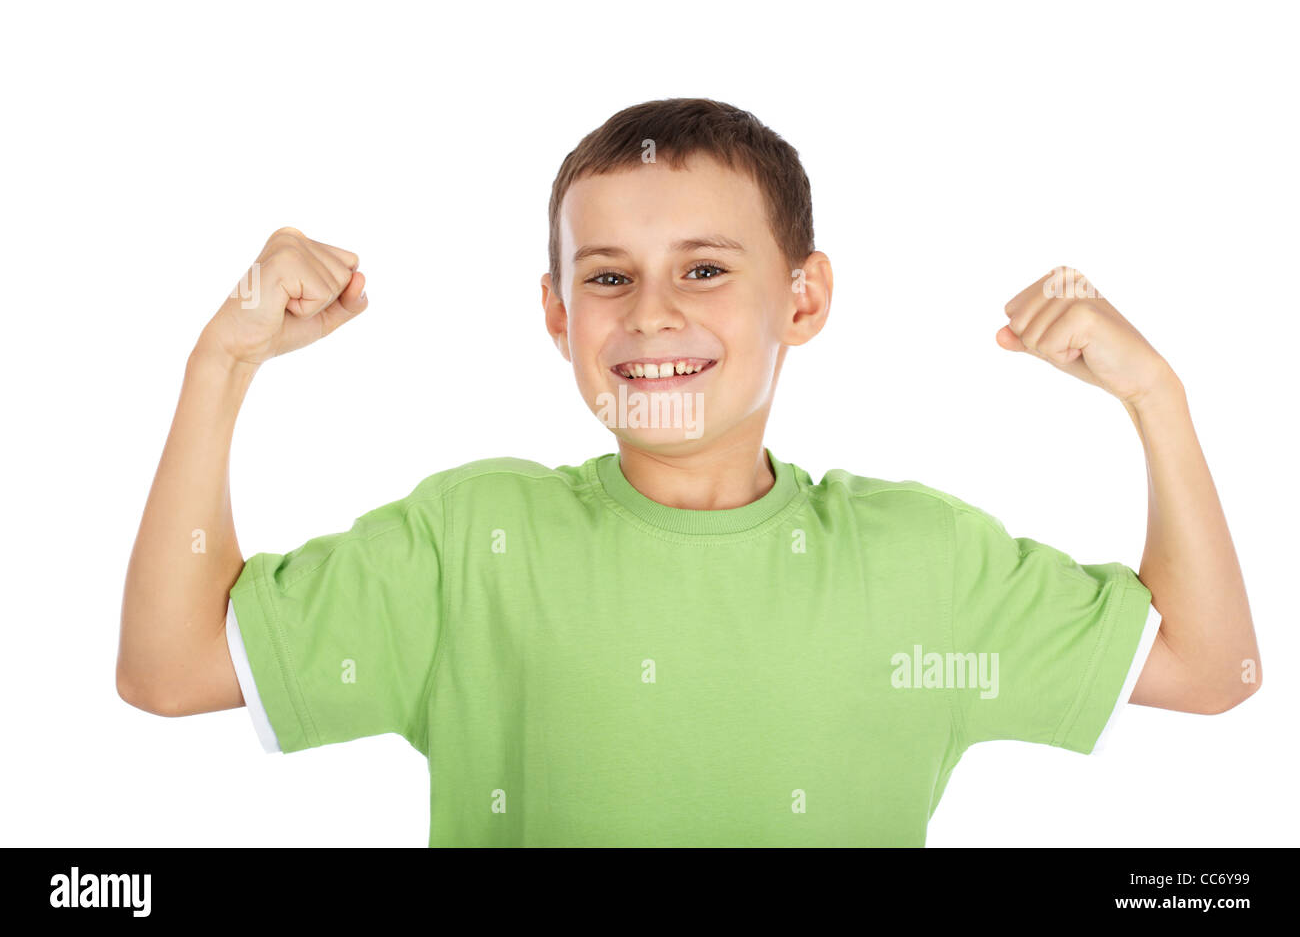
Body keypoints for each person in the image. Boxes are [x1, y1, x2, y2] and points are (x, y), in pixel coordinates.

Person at [117, 98, 1261, 846]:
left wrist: (1156, 399)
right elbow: (169, 670)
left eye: (705, 267)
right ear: (559, 317)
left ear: (802, 298)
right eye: (607, 278)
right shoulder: (471, 539)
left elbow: (1211, 667)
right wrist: (221, 362)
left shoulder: (924, 559)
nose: (652, 310)